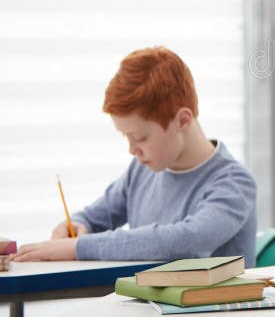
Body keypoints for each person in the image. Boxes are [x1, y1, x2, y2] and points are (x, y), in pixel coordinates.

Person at [14, 47, 258, 266]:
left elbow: (188, 241)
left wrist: (79, 248)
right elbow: (95, 216)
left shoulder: (234, 184)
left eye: (140, 137)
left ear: (182, 120)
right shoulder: (142, 169)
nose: (132, 149)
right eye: (126, 137)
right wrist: (78, 226)